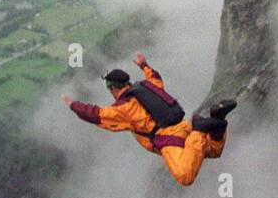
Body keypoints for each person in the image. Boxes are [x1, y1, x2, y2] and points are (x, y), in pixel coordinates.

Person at [60, 52, 235, 187]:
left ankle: (199, 129)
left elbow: (95, 114)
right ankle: (217, 121)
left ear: (113, 88)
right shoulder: (147, 86)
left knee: (185, 176)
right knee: (212, 150)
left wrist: (72, 104)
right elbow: (156, 77)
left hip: (169, 138)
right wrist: (144, 65)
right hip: (183, 125)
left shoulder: (123, 108)